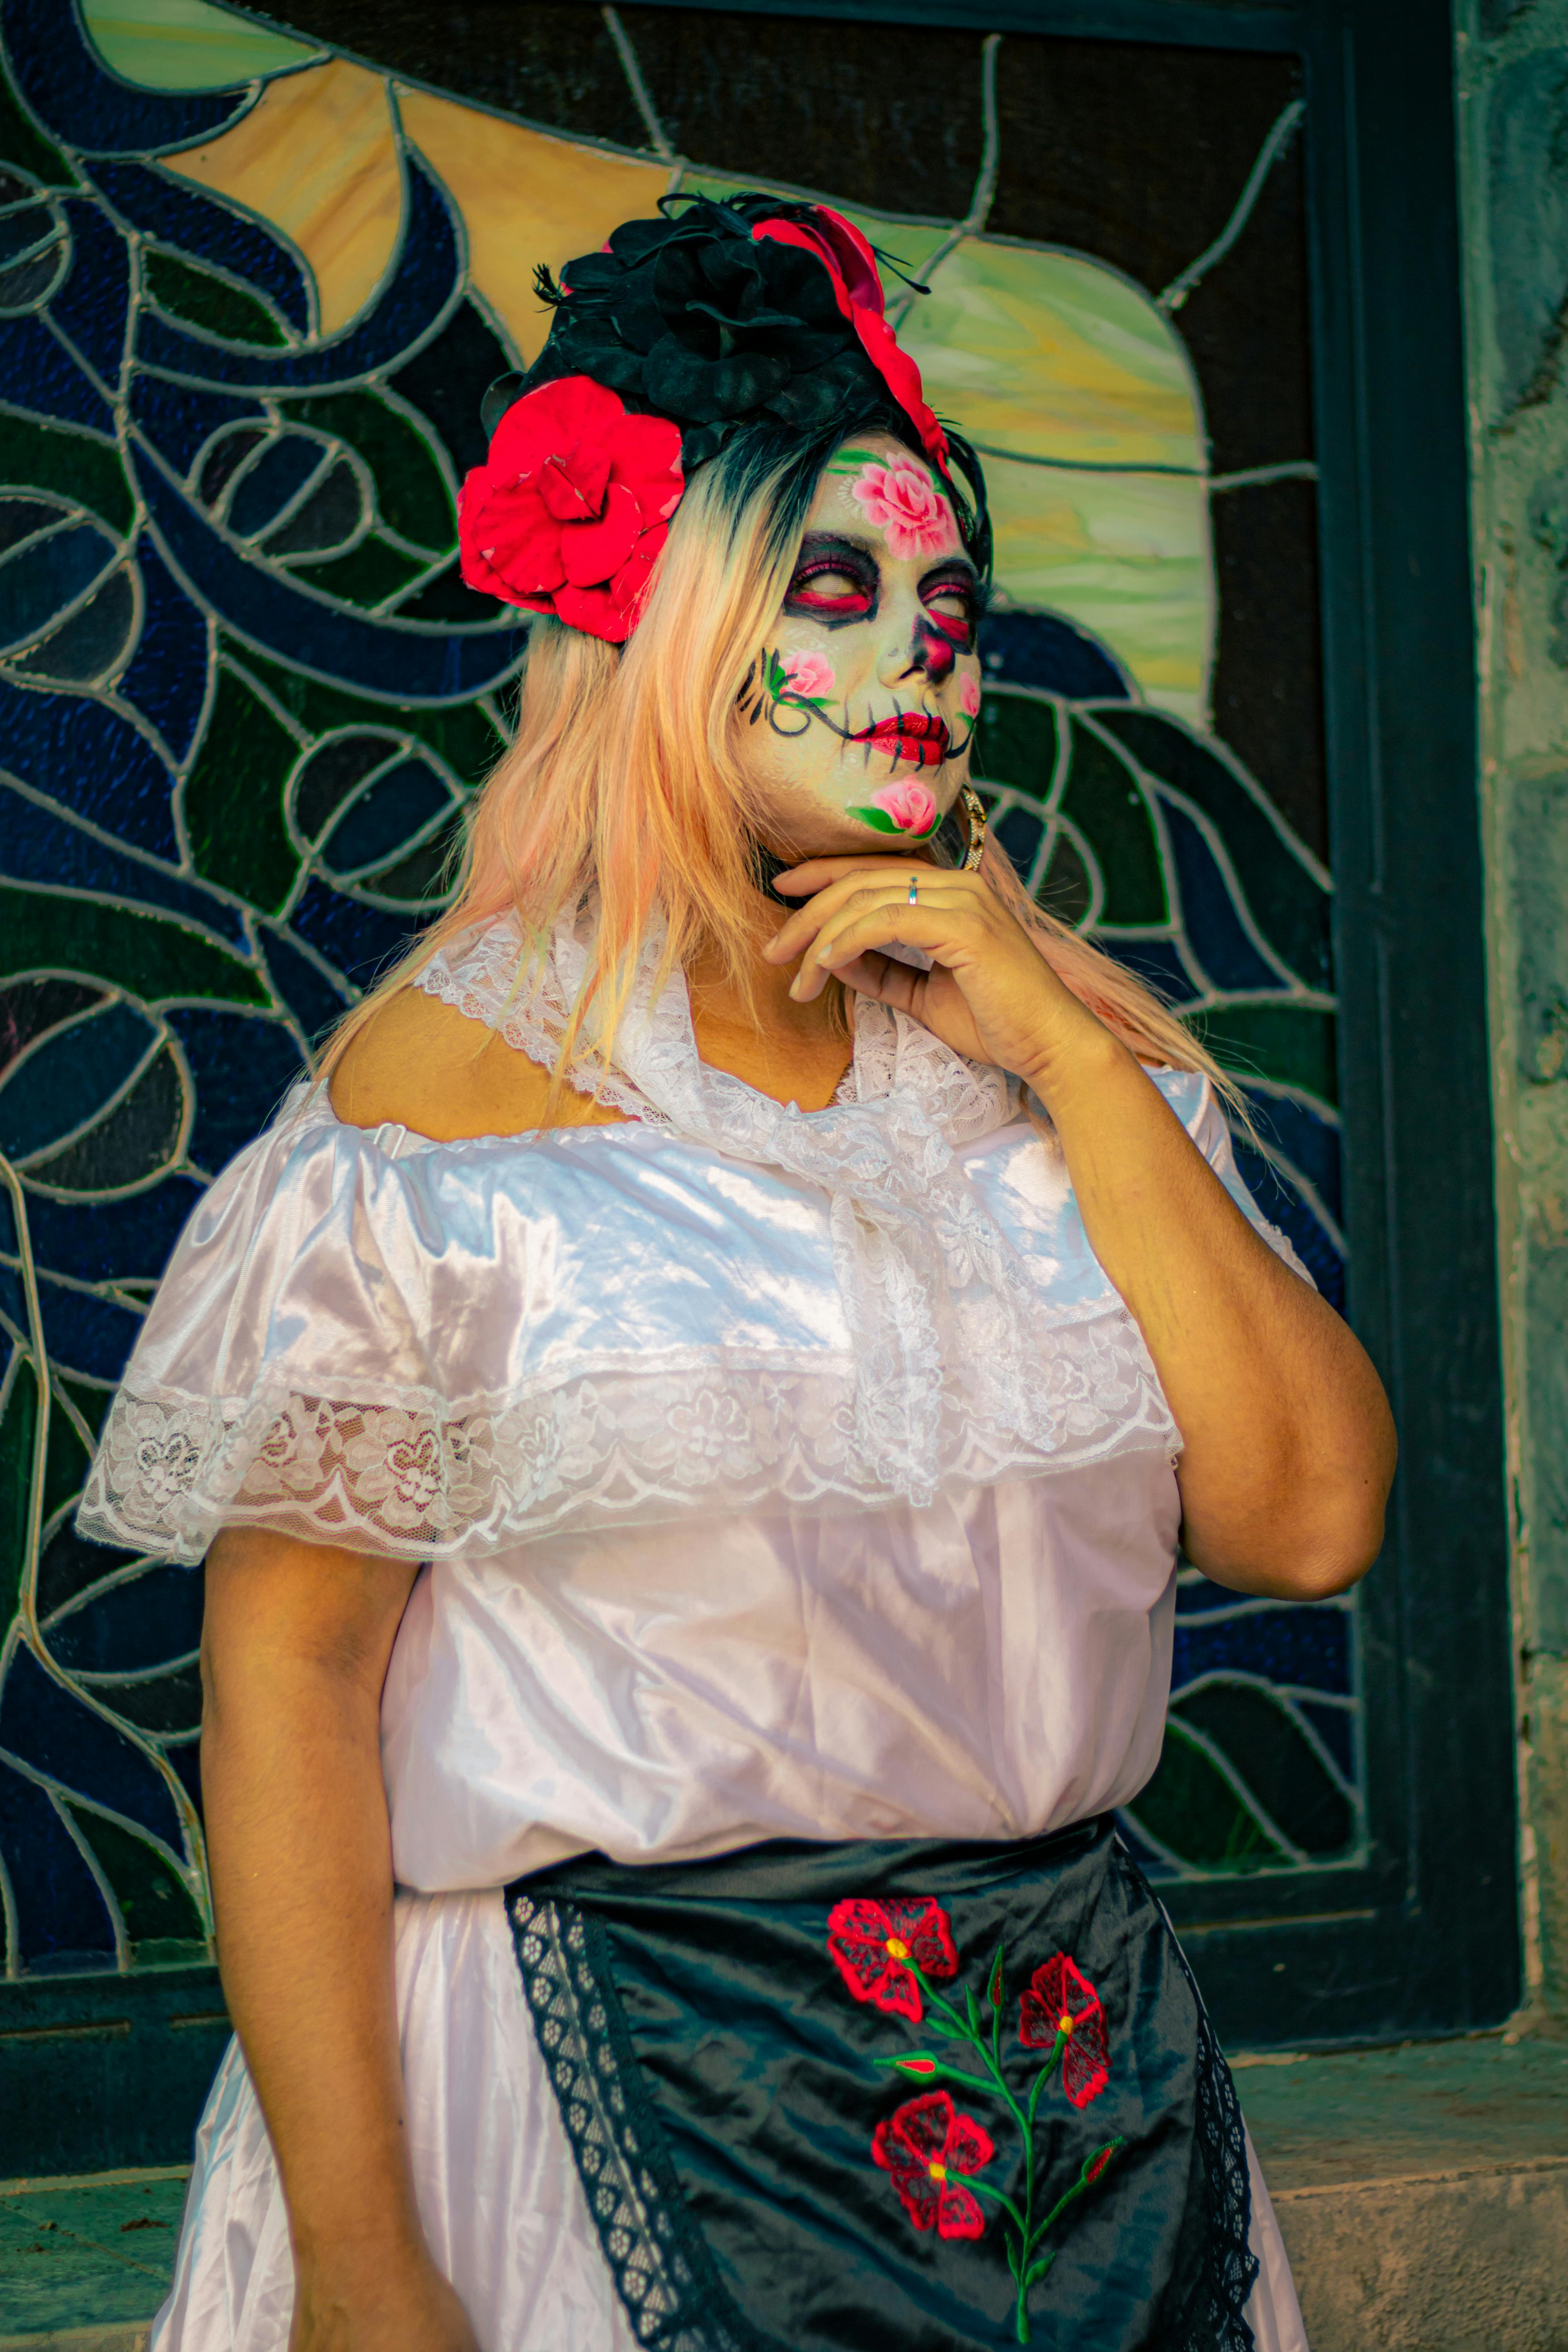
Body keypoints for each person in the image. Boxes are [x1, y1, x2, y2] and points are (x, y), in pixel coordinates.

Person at [80, 194, 1394, 2352]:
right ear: (679, 634)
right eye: (840, 593)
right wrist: (361, 2255)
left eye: (954, 612)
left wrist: (1069, 1045)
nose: (921, 664)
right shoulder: (450, 1105)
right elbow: (291, 1689)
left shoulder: (1056, 1083)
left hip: (1074, 2137)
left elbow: (1314, 1516)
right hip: (573, 2124)